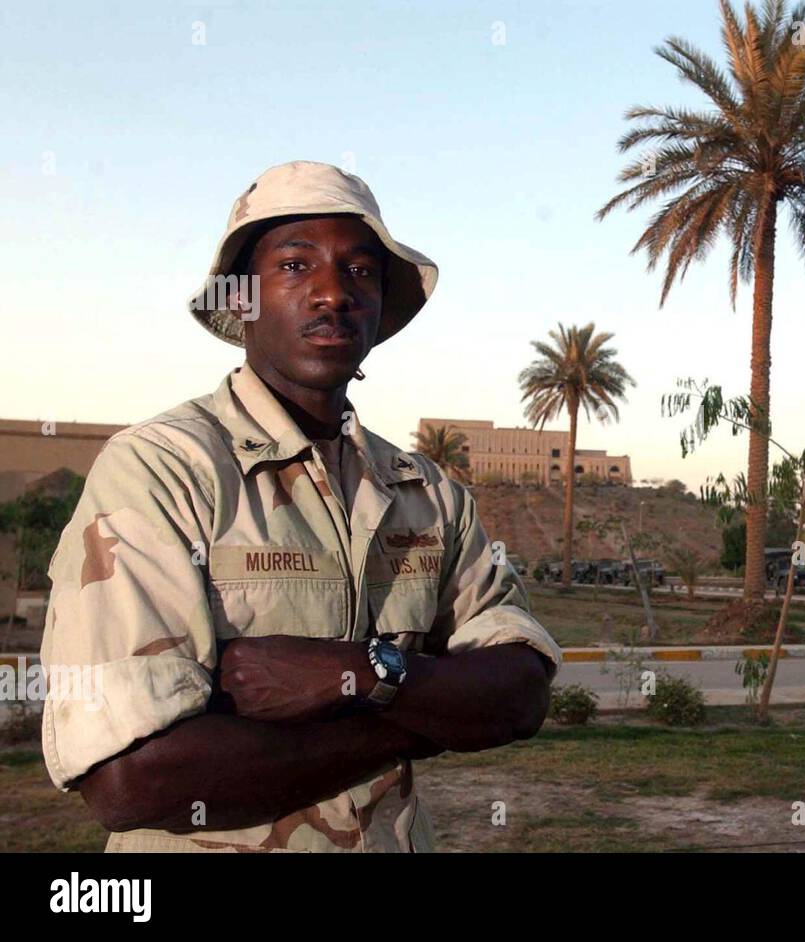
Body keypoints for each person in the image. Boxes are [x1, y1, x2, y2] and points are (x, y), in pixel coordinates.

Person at [39, 161, 562, 852]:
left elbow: (521, 692)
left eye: (360, 272)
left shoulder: (427, 493)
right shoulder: (164, 471)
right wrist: (419, 709)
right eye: (294, 265)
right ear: (245, 299)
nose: (332, 293)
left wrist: (359, 673)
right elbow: (131, 780)